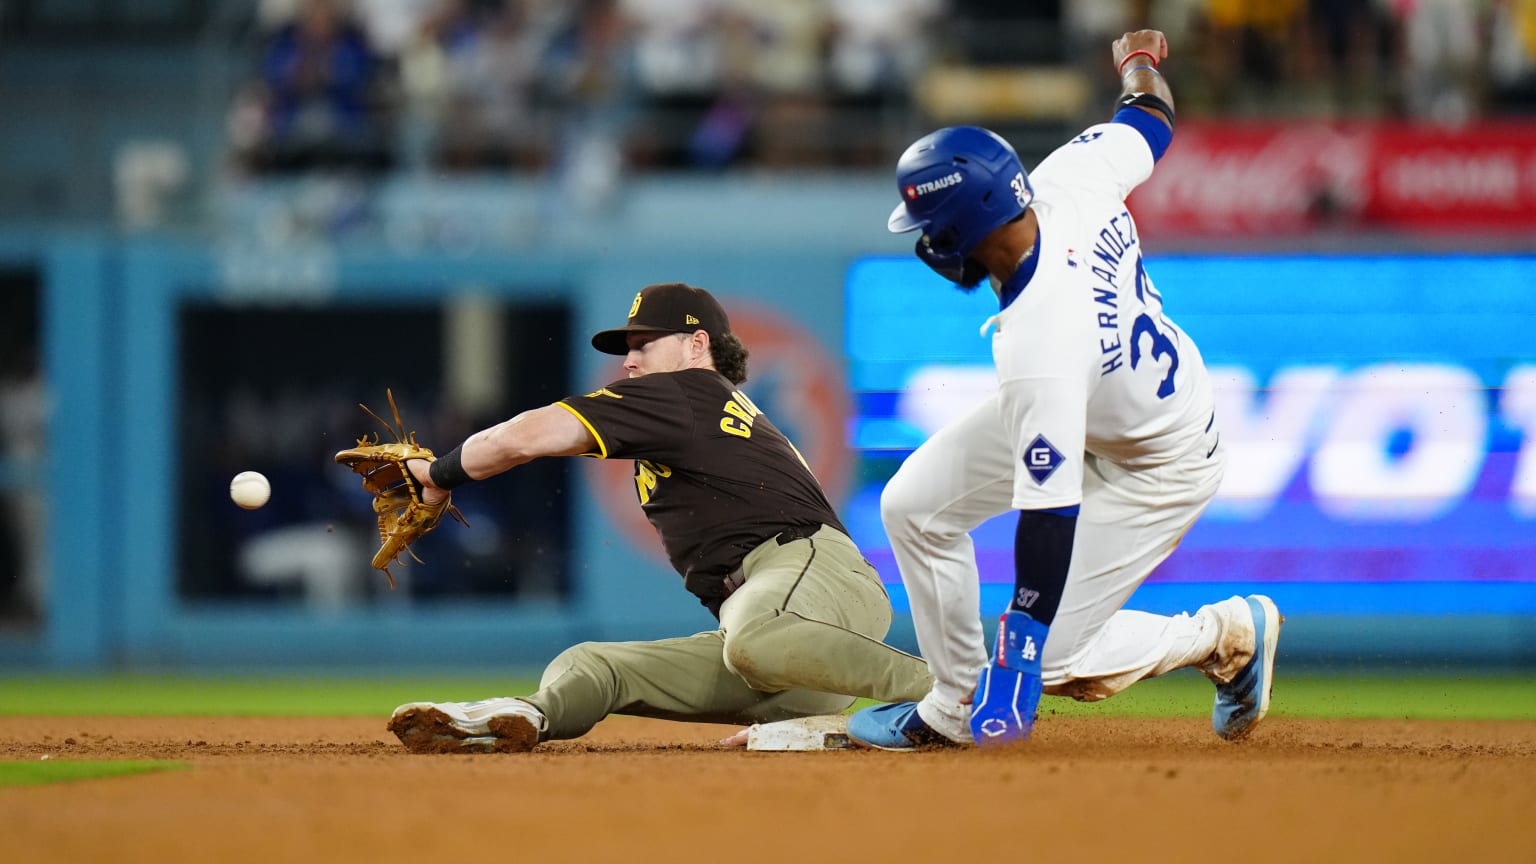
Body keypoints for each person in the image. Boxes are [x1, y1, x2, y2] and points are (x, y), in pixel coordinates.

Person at [845, 30, 1282, 751]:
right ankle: (951, 706)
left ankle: (1224, 634)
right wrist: (1138, 61)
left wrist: (1019, 648)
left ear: (960, 229)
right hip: (1106, 402)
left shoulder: (1039, 341)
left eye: (929, 227)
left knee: (1058, 659)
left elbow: (1050, 517)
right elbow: (1149, 115)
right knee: (913, 507)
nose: (925, 243)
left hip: (1157, 458)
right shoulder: (1066, 179)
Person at [386, 281, 933, 752]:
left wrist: (437, 475)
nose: (630, 360)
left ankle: (956, 691)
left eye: (644, 344)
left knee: (755, 638)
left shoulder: (685, 393)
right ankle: (522, 715)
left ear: (697, 346)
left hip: (815, 584)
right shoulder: (697, 413)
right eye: (629, 347)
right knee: (595, 664)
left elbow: (527, 435)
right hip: (794, 648)